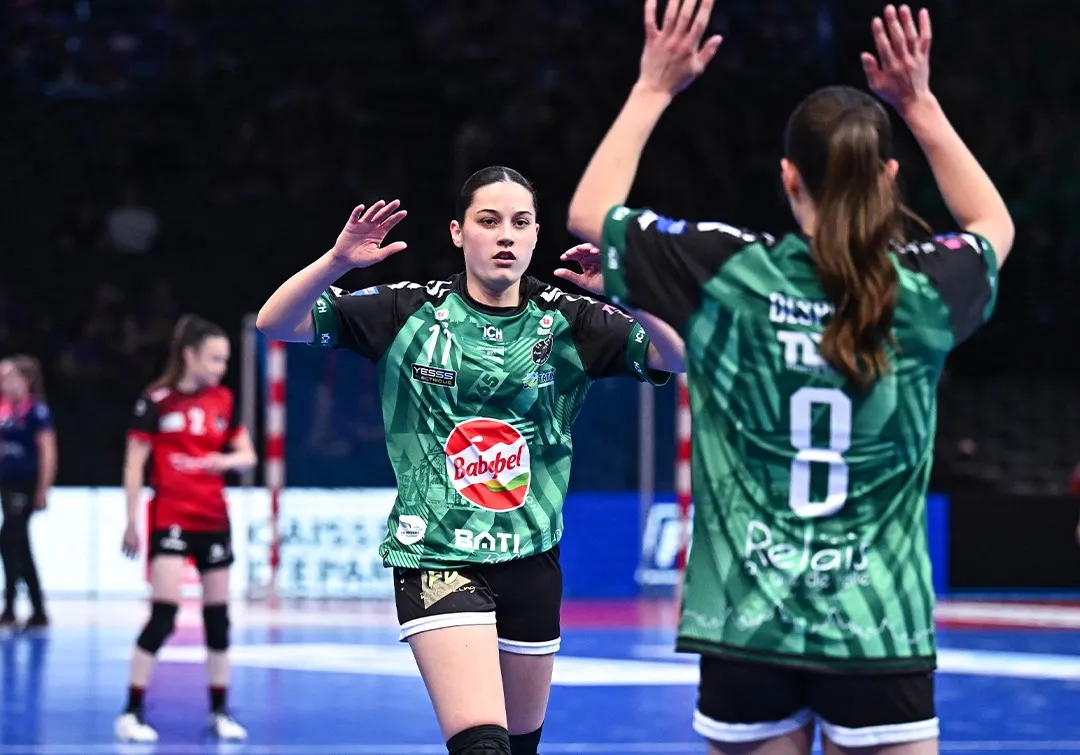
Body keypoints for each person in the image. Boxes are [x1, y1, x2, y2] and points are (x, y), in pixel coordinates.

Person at [567, 2, 1014, 754]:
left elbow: (590, 211)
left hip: (747, 623)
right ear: (889, 176)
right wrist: (920, 101)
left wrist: (653, 87)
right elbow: (992, 225)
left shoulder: (730, 272)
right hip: (878, 628)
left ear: (787, 177)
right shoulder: (924, 291)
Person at [256, 165, 680, 755]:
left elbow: (681, 357)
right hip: (436, 554)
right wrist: (337, 262)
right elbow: (275, 323)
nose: (505, 234)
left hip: (532, 559)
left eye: (520, 222)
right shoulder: (407, 311)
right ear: (458, 233)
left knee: (520, 747)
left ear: (536, 238)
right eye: (489, 221)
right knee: (483, 746)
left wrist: (630, 293)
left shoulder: (571, 320)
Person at [114, 315, 257, 743]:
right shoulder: (155, 401)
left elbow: (247, 455)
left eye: (224, 360)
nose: (220, 368)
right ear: (189, 355)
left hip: (213, 517)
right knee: (164, 613)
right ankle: (132, 711)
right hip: (171, 516)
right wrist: (131, 520)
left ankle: (219, 711)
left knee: (218, 620)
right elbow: (133, 465)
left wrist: (225, 462)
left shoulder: (224, 401)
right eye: (214, 359)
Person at [0, 356, 57, 629]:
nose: (3, 383)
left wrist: (42, 489)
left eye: (9, 377)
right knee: (19, 545)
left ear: (25, 380)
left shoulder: (37, 411)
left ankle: (12, 606)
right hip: (7, 483)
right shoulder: (5, 410)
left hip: (26, 483)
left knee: (9, 538)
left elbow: (48, 452)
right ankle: (35, 609)